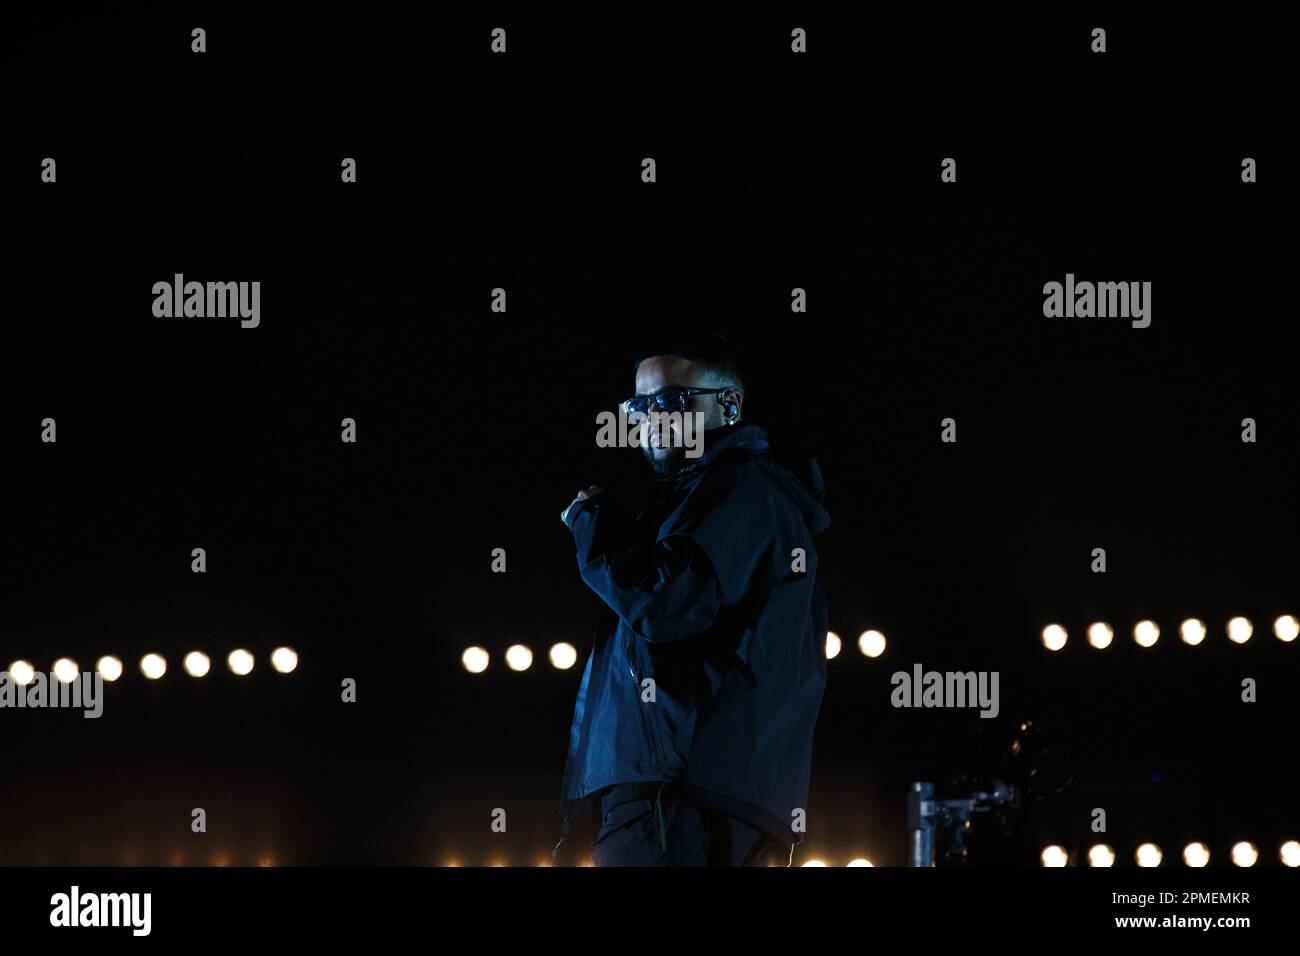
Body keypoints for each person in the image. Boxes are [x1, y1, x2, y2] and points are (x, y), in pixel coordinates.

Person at [555, 333, 831, 866]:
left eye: (670, 402)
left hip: (684, 798)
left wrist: (595, 531)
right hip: (678, 796)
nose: (650, 419)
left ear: (728, 404)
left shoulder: (745, 491)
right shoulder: (695, 503)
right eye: (637, 406)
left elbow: (665, 604)